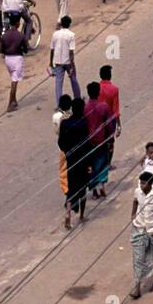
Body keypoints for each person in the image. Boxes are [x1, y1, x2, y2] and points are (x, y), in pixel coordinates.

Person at [130, 170, 153, 300]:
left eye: (144, 183)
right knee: (138, 258)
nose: (141, 185)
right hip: (139, 228)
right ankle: (137, 287)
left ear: (150, 184)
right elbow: (134, 201)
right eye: (140, 183)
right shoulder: (137, 192)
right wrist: (133, 215)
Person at [59, 95, 91, 230]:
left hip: (70, 160)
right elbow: (87, 144)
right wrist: (89, 163)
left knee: (71, 189)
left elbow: (60, 142)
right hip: (82, 160)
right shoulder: (84, 124)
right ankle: (82, 215)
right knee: (82, 189)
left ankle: (68, 215)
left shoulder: (65, 123)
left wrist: (67, 152)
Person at [49, 14, 81, 104]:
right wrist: (72, 65)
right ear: (69, 24)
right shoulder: (71, 35)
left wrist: (51, 62)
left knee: (58, 83)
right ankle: (77, 99)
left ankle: (59, 104)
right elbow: (71, 52)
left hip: (58, 61)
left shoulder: (55, 34)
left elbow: (52, 49)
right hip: (68, 62)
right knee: (73, 79)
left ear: (61, 24)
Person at [0, 12, 27, 112]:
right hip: (17, 59)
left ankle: (14, 100)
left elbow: (1, 50)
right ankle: (10, 103)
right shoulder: (20, 35)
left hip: (7, 60)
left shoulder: (4, 35)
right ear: (18, 24)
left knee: (13, 78)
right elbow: (26, 49)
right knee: (14, 82)